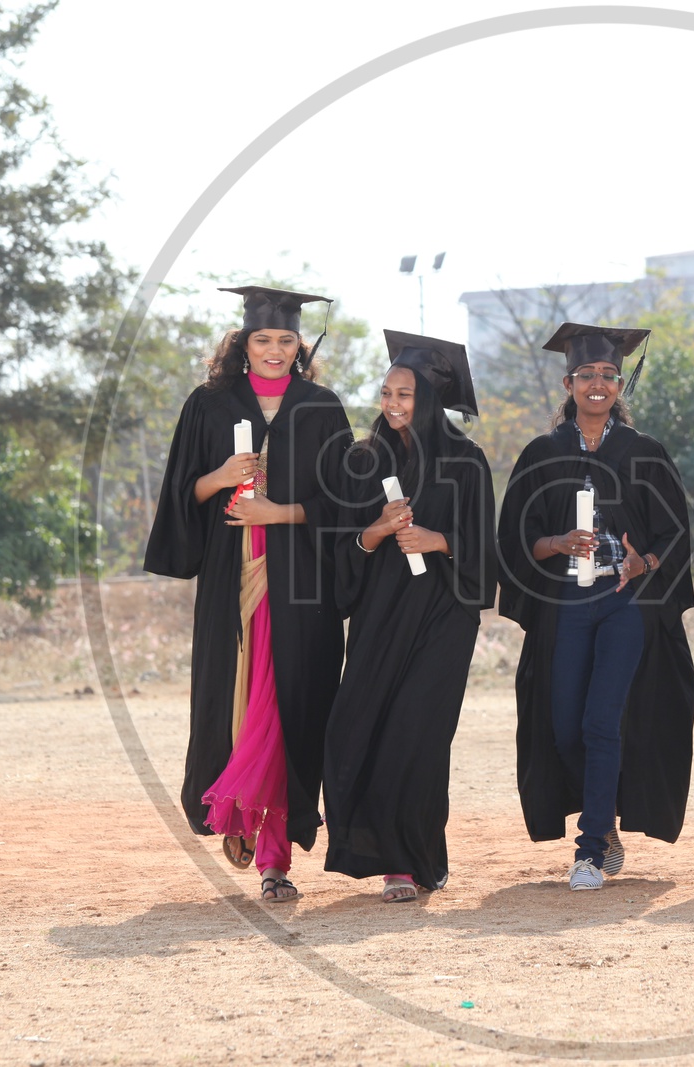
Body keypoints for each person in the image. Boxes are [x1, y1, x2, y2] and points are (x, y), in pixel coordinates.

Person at [144, 285, 353, 903]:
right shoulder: (208, 405)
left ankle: (274, 856)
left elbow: (344, 505)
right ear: (243, 342)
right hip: (229, 586)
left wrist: (278, 512)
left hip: (299, 589)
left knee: (290, 712)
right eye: (263, 339)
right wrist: (220, 478)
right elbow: (181, 493)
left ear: (300, 346)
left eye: (286, 340)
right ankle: (236, 813)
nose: (274, 351)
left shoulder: (321, 408)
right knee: (235, 707)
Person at [497, 323, 694, 891]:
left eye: (608, 375)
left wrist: (642, 564)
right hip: (564, 603)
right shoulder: (543, 452)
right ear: (568, 382)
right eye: (586, 375)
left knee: (601, 721)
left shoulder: (645, 452)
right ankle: (602, 818)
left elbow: (674, 535)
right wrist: (558, 544)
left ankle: (589, 849)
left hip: (622, 602)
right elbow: (517, 537)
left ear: (618, 385)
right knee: (564, 728)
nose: (598, 384)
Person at [323, 330, 497, 902]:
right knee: (361, 727)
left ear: (430, 400)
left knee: (415, 737)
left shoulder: (467, 463)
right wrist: (374, 532)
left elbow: (485, 552)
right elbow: (341, 551)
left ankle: (405, 862)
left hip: (443, 620)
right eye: (387, 392)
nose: (393, 404)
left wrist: (438, 540)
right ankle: (381, 851)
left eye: (406, 395)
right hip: (378, 620)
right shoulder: (362, 460)